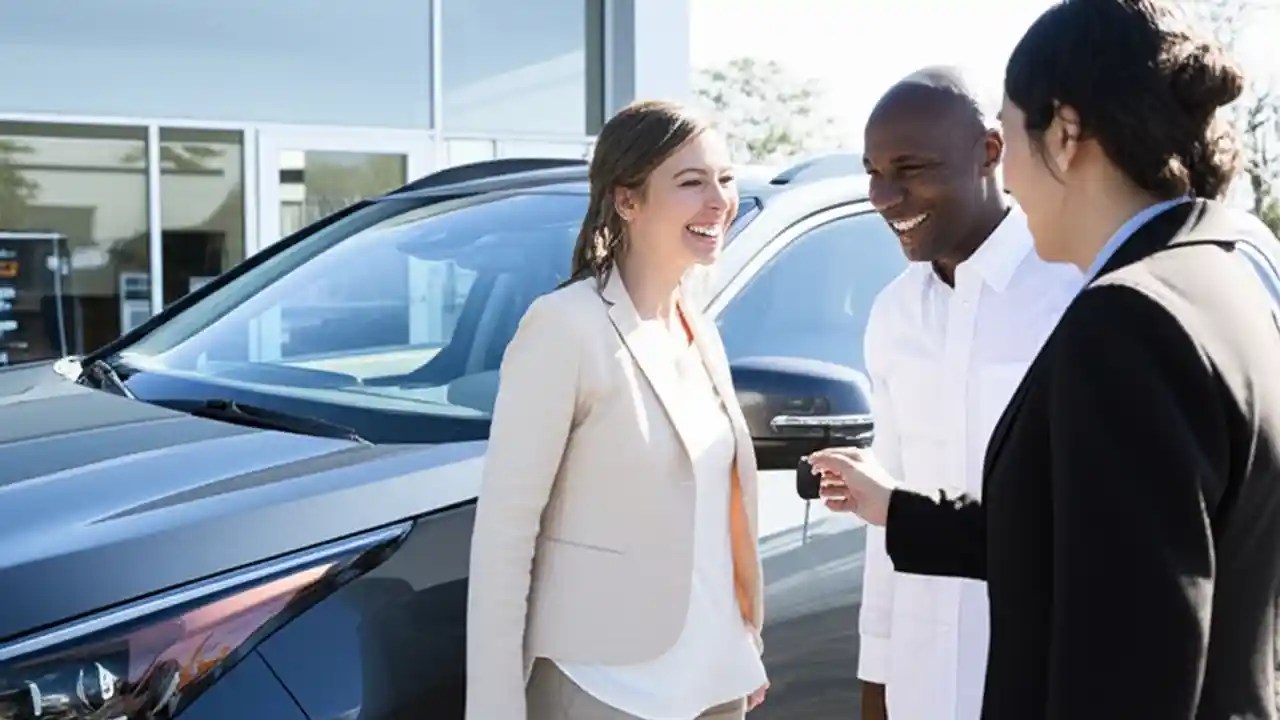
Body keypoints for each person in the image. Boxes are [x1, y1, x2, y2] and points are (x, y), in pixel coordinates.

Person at [812, 1, 1280, 717]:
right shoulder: (1221, 278)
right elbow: (1076, 542)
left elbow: (1129, 655)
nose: (1013, 179)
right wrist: (901, 513)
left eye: (1011, 133)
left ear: (1062, 135)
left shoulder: (1127, 320)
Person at [465, 99, 770, 720]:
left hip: (713, 682)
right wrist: (496, 708)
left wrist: (743, 644)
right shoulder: (564, 327)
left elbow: (712, 516)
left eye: (725, 179)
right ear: (627, 201)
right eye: (691, 183)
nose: (719, 201)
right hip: (606, 687)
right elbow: (504, 535)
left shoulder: (698, 325)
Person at [854, 67, 1082, 720]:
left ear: (990, 151)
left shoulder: (1074, 291)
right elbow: (886, 511)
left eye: (910, 167)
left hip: (1040, 684)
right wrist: (878, 678)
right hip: (920, 687)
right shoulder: (892, 315)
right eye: (872, 171)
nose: (884, 195)